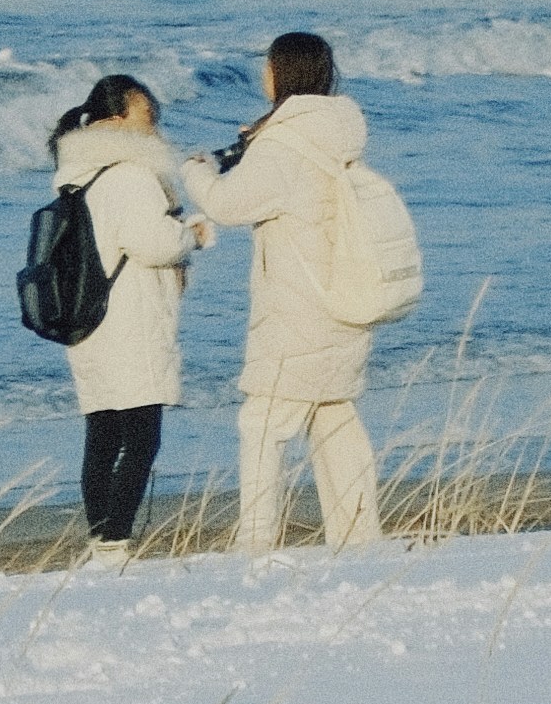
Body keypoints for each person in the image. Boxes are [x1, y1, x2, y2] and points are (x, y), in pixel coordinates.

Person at [202, 28, 389, 552]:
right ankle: (359, 536)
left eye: (268, 65)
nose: (263, 72)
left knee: (263, 422)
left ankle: (257, 539)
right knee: (333, 415)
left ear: (281, 73)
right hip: (345, 300)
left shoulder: (283, 145)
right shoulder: (338, 137)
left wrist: (197, 172)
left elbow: (227, 205)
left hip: (296, 307)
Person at [46, 73, 203, 546]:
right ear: (116, 121)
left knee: (103, 434)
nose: (154, 129)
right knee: (140, 437)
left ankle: (102, 539)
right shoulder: (128, 174)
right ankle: (115, 538)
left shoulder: (78, 176)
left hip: (89, 319)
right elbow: (154, 243)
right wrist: (190, 234)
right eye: (146, 118)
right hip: (129, 320)